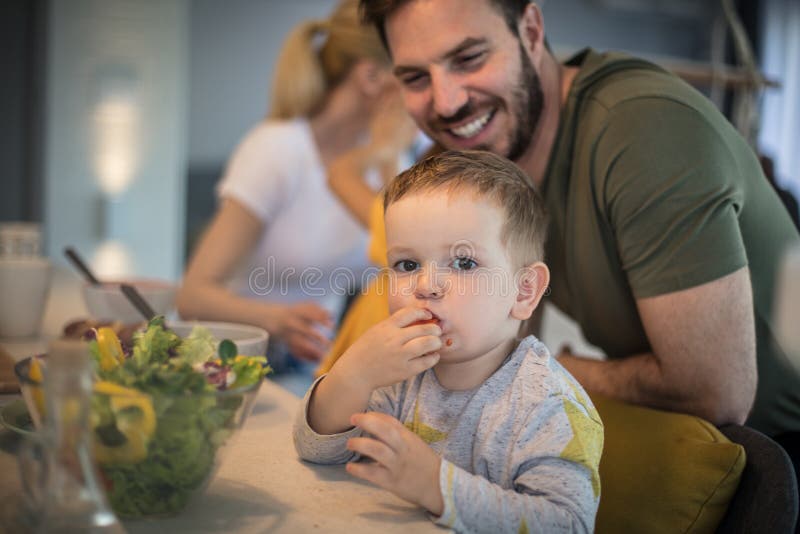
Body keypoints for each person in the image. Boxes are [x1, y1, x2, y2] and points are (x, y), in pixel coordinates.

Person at [355, 0, 800, 452]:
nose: (447, 102)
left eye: (469, 58)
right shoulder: (473, 162)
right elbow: (499, 338)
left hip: (777, 448)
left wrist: (553, 368)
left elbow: (717, 392)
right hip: (685, 436)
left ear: (531, 30)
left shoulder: (642, 131)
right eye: (416, 78)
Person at [294, 150, 603, 533]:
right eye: (408, 265)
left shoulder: (548, 405)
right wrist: (353, 374)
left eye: (463, 263)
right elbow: (317, 450)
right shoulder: (397, 374)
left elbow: (567, 525)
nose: (426, 286)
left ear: (524, 291)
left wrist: (437, 487)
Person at [176, 0, 414, 373]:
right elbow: (193, 294)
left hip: (312, 364)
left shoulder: (386, 160)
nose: (423, 91)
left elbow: (402, 253)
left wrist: (386, 156)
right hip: (236, 362)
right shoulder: (278, 149)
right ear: (371, 77)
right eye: (411, 75)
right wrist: (279, 319)